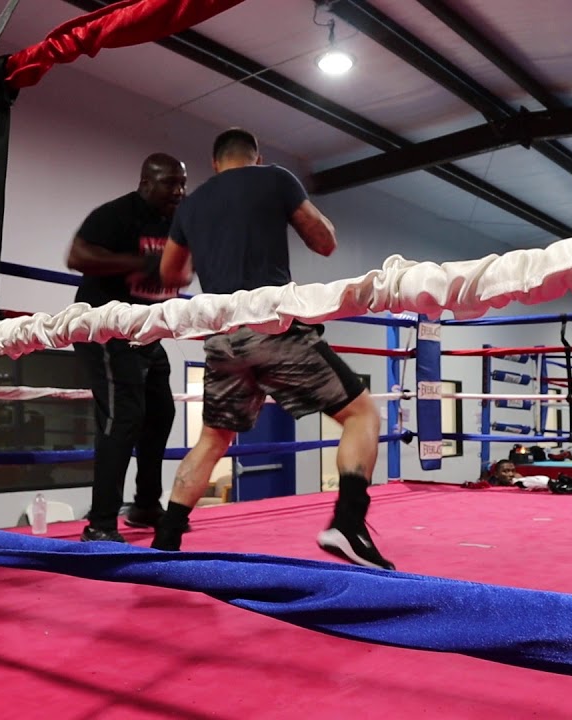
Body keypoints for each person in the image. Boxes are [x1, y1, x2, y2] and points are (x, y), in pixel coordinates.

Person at [151, 128, 394, 570]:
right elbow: (325, 242)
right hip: (272, 327)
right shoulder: (275, 178)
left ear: (215, 163)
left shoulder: (191, 204)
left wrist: (210, 248)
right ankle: (348, 523)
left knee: (212, 439)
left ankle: (164, 544)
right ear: (256, 157)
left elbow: (170, 276)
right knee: (362, 414)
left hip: (222, 338)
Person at [66, 153, 189, 542]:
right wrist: (140, 263)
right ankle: (101, 524)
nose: (179, 191)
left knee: (161, 413)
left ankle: (145, 506)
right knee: (124, 417)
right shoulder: (117, 214)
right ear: (146, 183)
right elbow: (77, 257)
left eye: (182, 183)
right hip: (103, 328)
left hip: (145, 333)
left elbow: (183, 271)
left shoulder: (177, 222)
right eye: (170, 183)